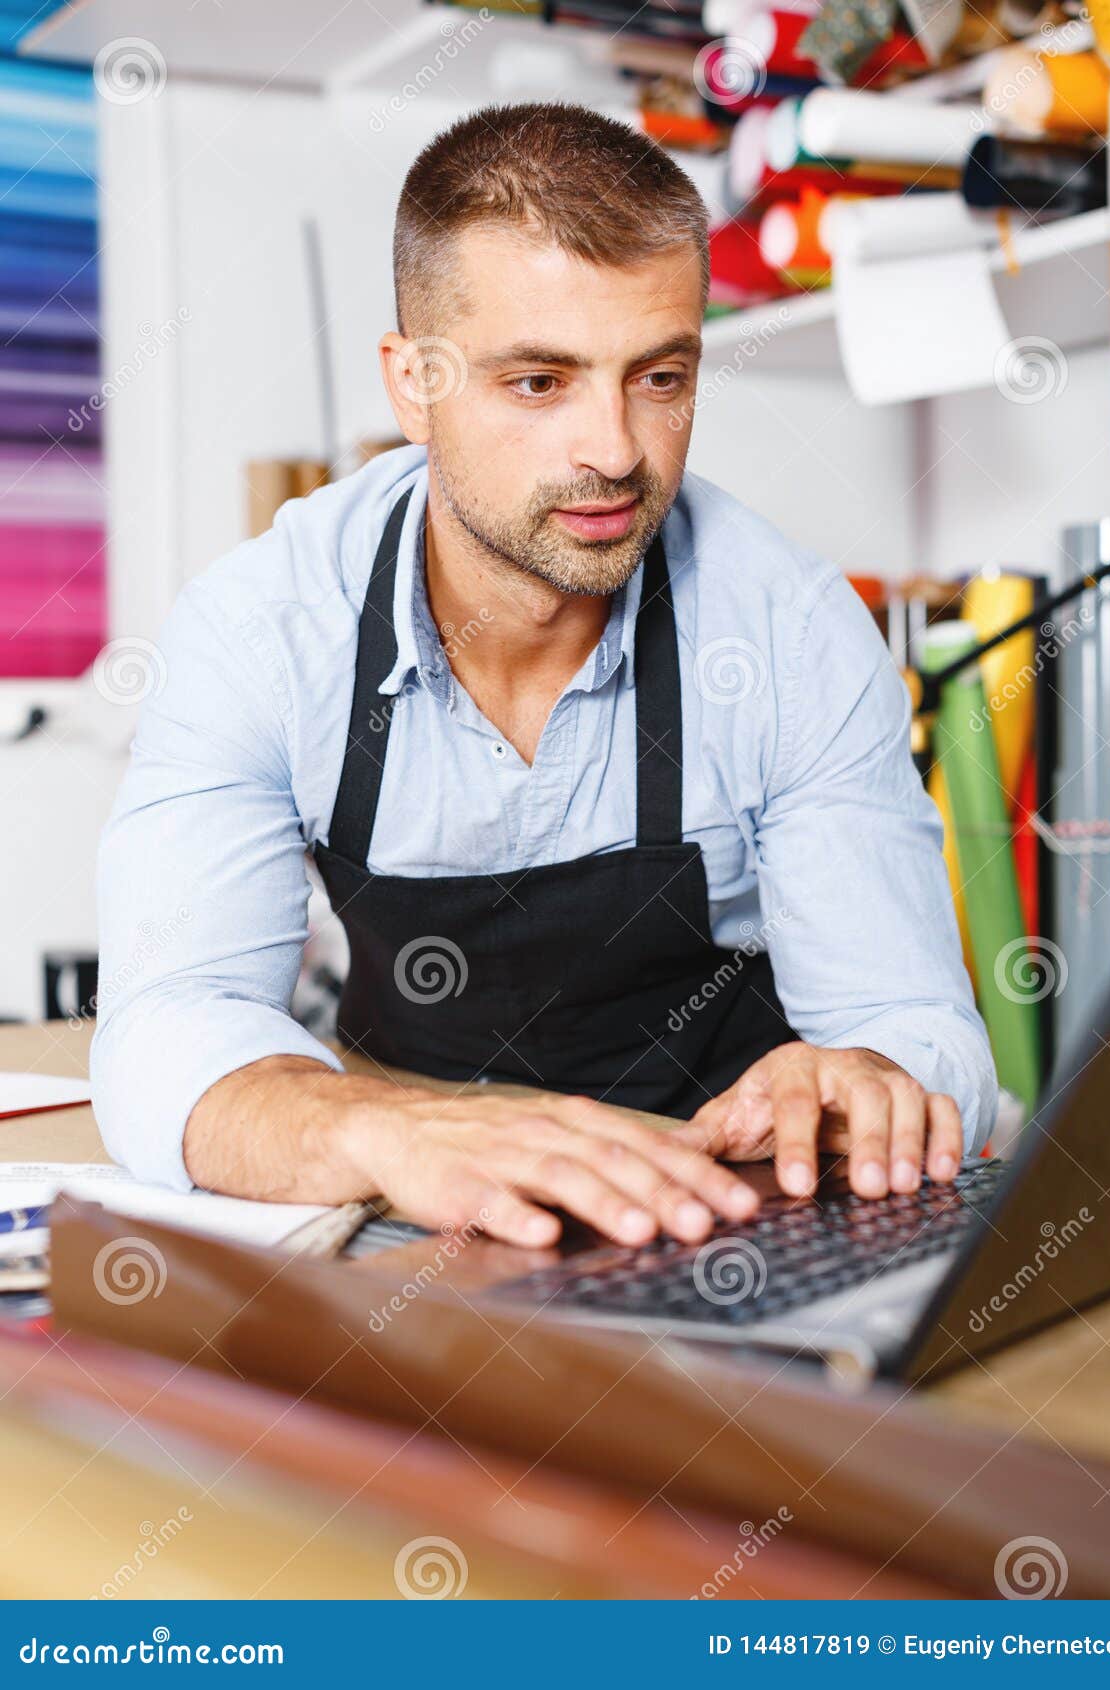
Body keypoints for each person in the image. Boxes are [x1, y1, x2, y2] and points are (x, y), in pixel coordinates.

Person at [91, 102, 997, 1251]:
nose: (614, 449)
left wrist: (874, 1080)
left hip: (725, 1222)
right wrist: (387, 1134)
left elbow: (917, 1024)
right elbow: (163, 1027)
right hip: (425, 1223)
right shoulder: (263, 629)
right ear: (412, 382)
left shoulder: (789, 629)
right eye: (538, 382)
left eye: (659, 377)